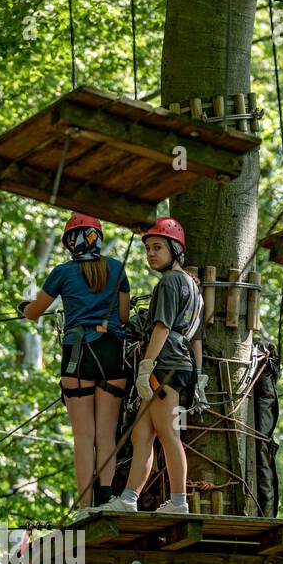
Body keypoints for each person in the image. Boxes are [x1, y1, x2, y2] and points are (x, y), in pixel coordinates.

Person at [18, 213, 130, 521]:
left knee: (83, 436)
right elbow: (123, 316)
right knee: (106, 434)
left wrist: (24, 308)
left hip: (78, 354)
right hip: (111, 354)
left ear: (70, 242)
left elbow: (34, 313)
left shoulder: (62, 273)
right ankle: (106, 500)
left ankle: (84, 508)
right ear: (99, 237)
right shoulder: (117, 268)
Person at [99, 216, 203, 518]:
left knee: (168, 434)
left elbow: (161, 326)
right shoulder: (193, 287)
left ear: (175, 250)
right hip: (178, 364)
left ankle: (179, 501)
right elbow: (195, 337)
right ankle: (129, 498)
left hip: (165, 364)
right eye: (147, 249)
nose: (151, 254)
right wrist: (199, 375)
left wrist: (146, 365)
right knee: (141, 435)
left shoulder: (171, 282)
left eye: (158, 247)